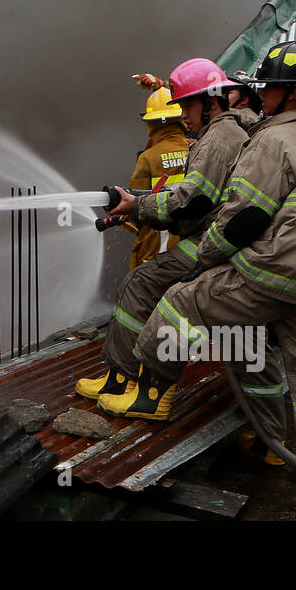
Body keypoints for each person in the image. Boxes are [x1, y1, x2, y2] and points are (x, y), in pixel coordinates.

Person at [104, 40, 296, 515]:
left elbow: (244, 217)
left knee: (179, 301)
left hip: (275, 268)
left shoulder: (270, 139)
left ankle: (152, 396)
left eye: (271, 89)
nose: (263, 97)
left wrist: (205, 263)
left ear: (291, 94)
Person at [79, 60, 251, 410]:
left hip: (210, 242)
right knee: (142, 282)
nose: (182, 114)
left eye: (187, 105)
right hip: (210, 235)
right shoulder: (222, 134)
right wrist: (138, 202)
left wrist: (135, 206)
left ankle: (128, 380)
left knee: (141, 282)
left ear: (211, 102)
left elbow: (191, 202)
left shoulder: (217, 140)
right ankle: (122, 375)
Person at [124, 86, 190, 269]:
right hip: (192, 247)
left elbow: (134, 209)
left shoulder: (148, 158)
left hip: (158, 250)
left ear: (153, 123)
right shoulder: (198, 148)